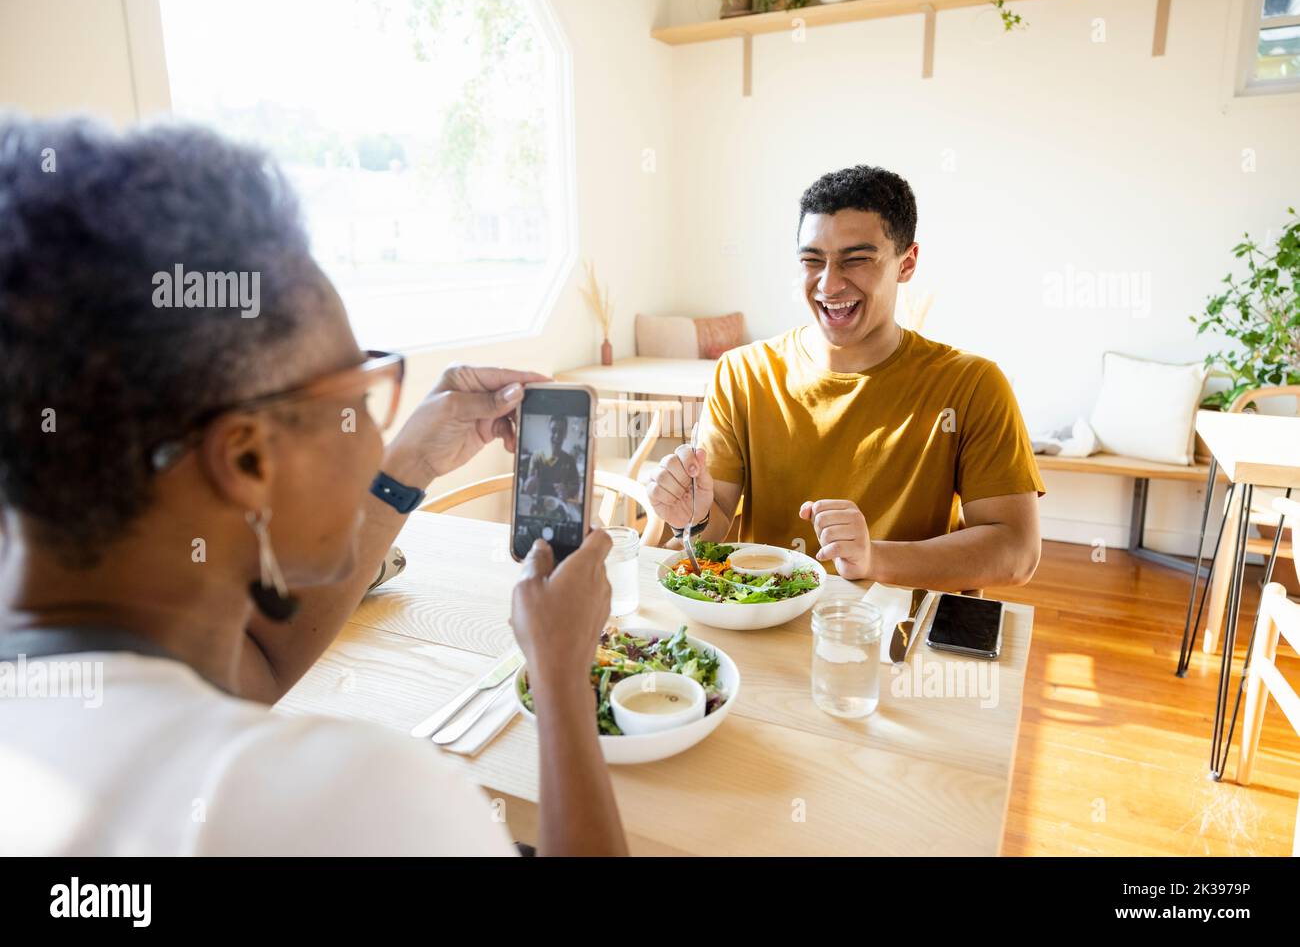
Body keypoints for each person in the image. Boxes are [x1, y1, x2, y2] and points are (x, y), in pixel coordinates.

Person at [0, 115, 626, 856]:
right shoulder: (349, 803)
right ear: (248, 460)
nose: (374, 434)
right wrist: (559, 678)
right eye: (358, 396)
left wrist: (410, 467)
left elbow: (253, 667)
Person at [648, 165, 1044, 592]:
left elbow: (1017, 552)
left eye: (856, 260)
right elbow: (715, 528)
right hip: (767, 622)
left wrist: (873, 557)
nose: (829, 284)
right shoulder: (742, 373)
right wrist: (696, 516)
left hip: (897, 638)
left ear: (906, 263)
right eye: (812, 260)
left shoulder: (972, 384)